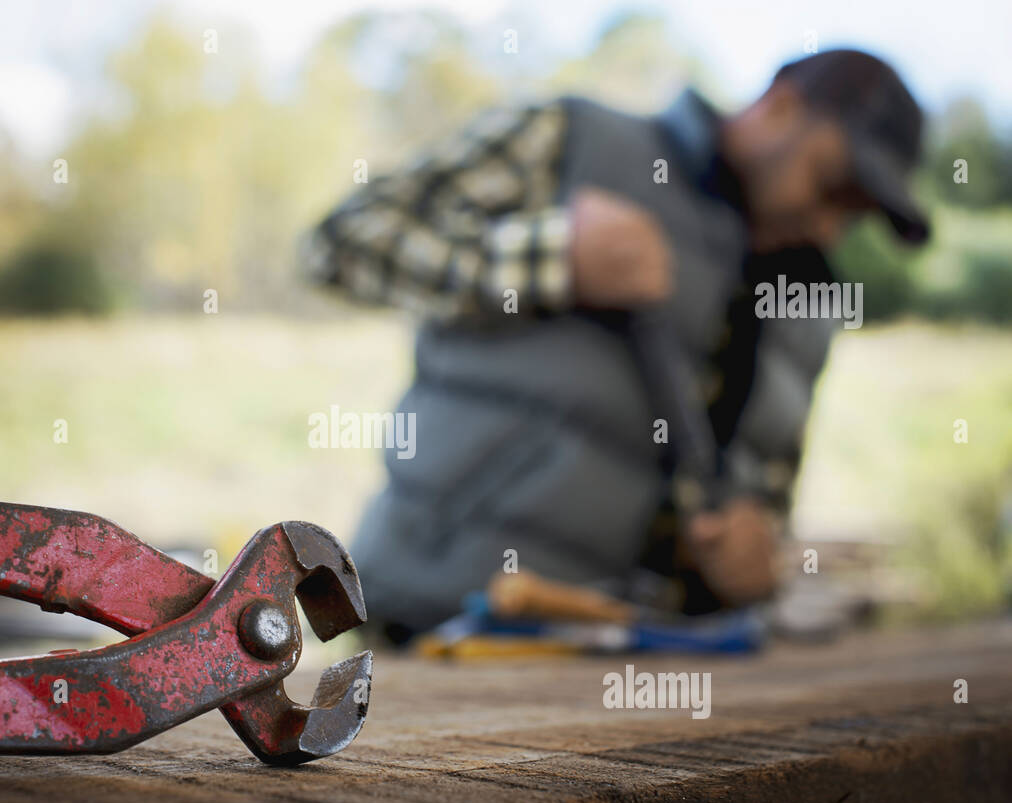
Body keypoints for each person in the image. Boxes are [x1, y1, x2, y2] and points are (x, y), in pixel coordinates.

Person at [299, 49, 931, 642]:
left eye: (856, 211)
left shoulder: (811, 304)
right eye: (832, 184)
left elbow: (767, 495)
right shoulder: (568, 138)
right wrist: (550, 258)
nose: (829, 224)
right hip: (432, 628)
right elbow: (342, 242)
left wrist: (754, 562)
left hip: (638, 666)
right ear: (781, 108)